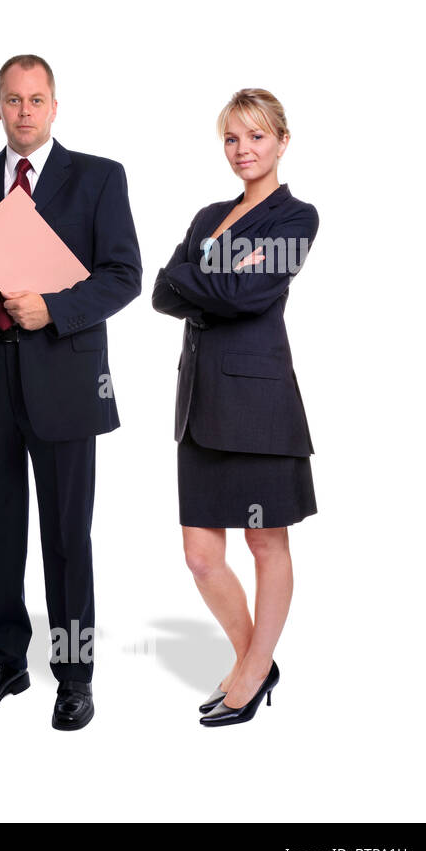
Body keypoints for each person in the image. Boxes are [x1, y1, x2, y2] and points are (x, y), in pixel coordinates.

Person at [0, 54, 141, 730]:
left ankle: (74, 677)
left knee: (67, 537)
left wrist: (56, 307)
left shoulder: (99, 179)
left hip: (65, 379)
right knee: (0, 533)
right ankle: (3, 662)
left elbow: (124, 274)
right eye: (12, 100)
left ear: (54, 106)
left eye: (36, 99)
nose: (24, 111)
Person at [151, 88, 319, 727]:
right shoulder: (207, 215)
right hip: (199, 400)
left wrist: (206, 279)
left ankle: (250, 670)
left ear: (281, 140)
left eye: (255, 137)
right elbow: (163, 290)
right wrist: (216, 280)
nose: (243, 150)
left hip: (257, 400)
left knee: (264, 540)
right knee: (201, 553)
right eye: (231, 138)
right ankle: (257, 658)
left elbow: (251, 297)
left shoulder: (295, 217)